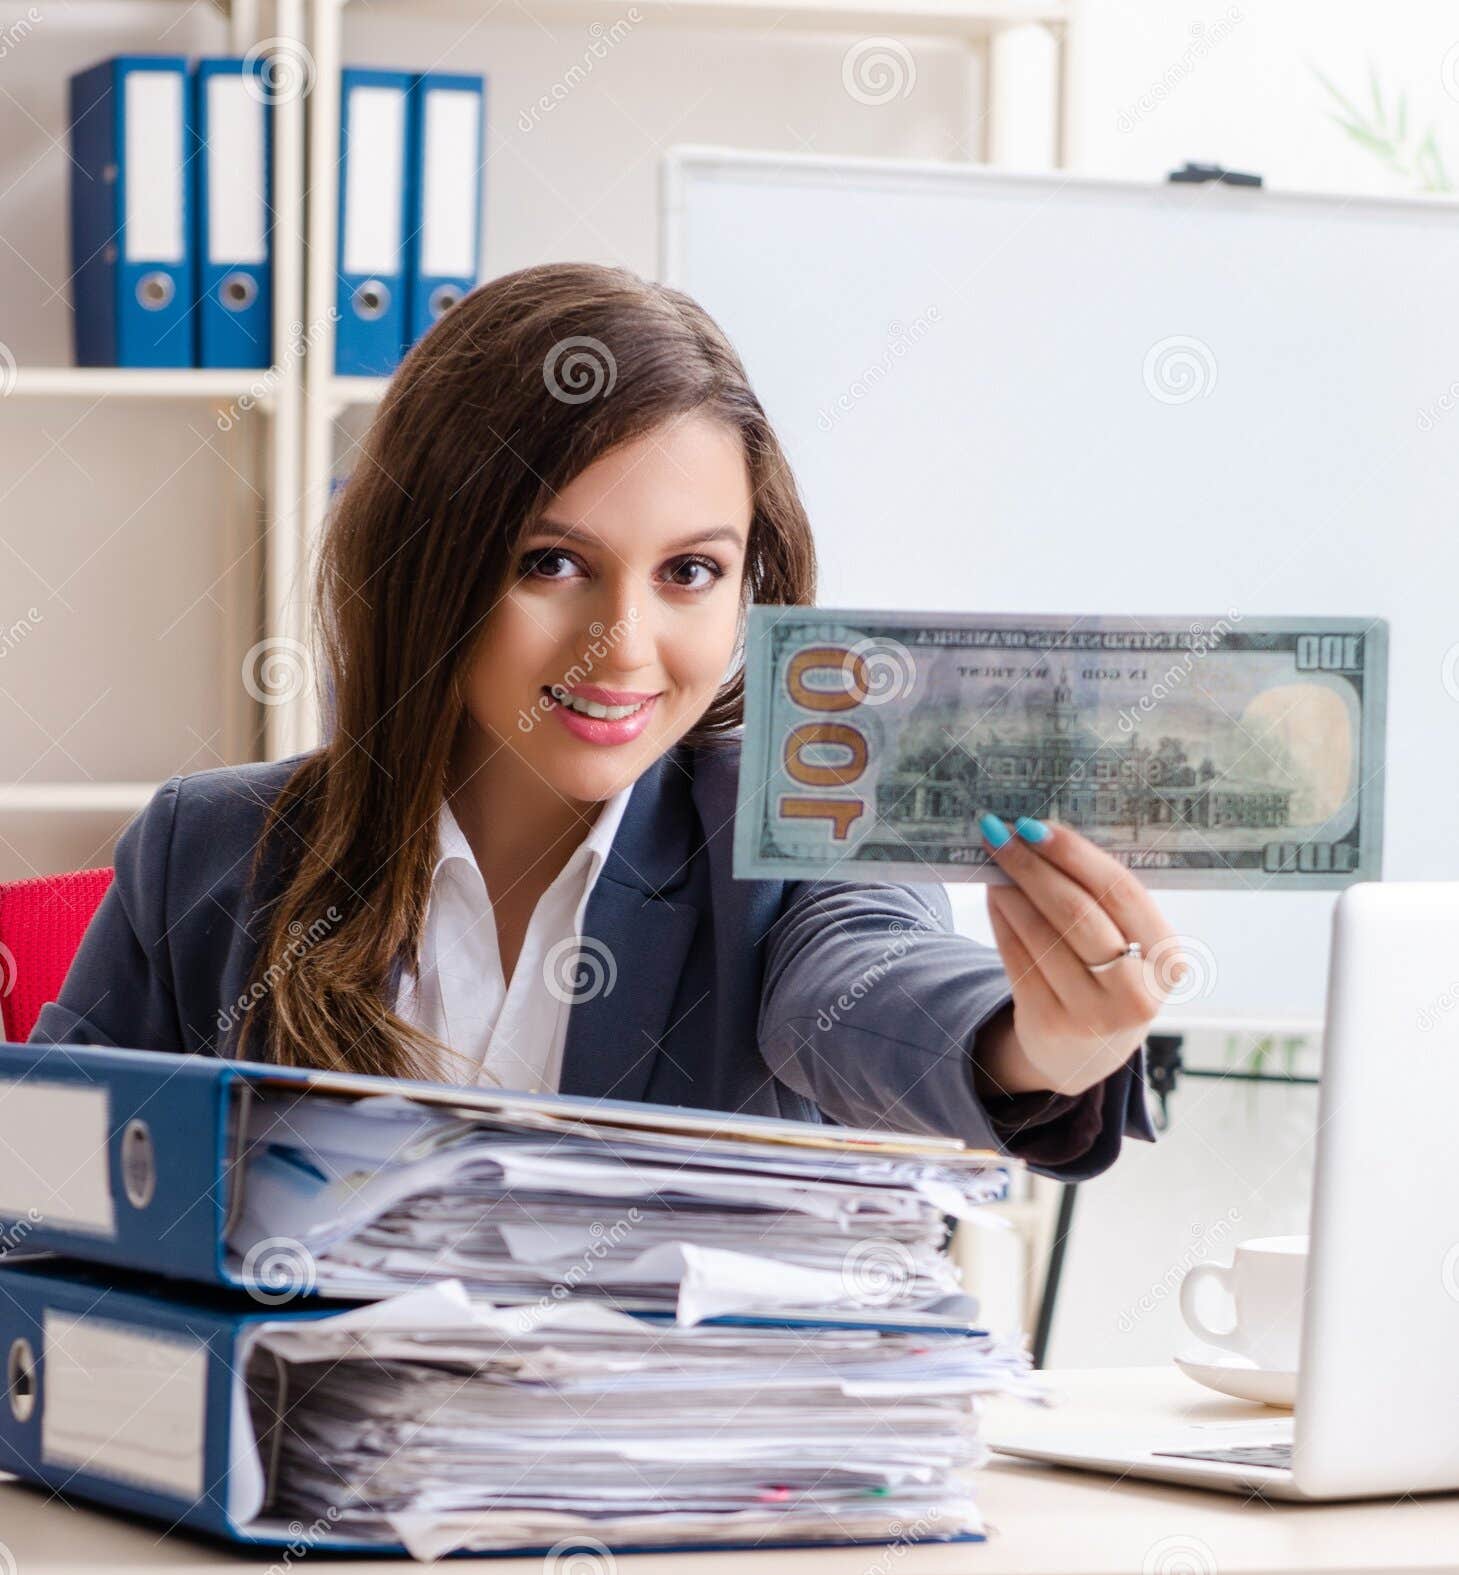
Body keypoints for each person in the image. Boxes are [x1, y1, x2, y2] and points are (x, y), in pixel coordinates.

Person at [30, 263, 1184, 1181]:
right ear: (426, 565)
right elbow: (40, 1207)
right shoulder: (209, 849)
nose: (622, 645)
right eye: (552, 562)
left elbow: (870, 981)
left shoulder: (781, 835)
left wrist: (1036, 1048)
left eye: (689, 570)